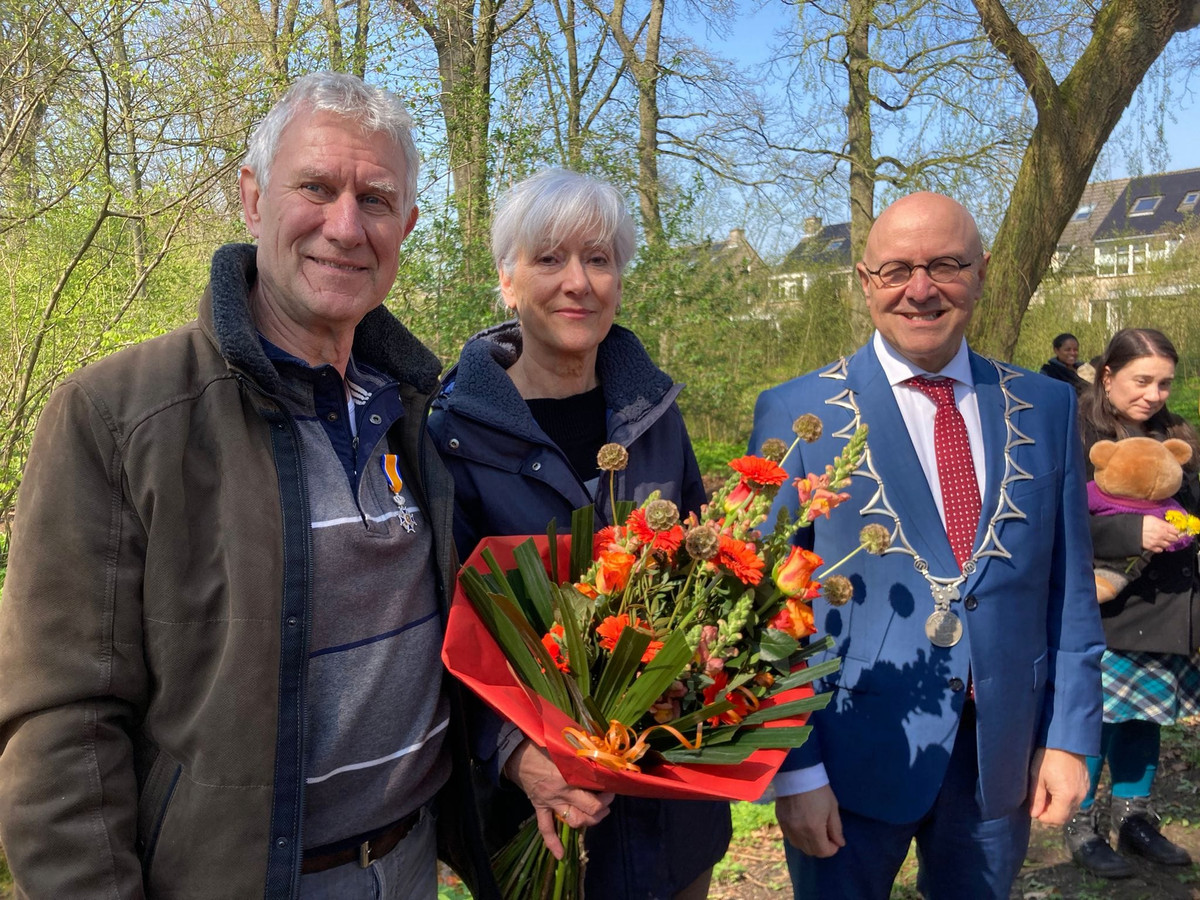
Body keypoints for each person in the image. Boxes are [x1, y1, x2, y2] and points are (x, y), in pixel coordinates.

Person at [0, 73, 496, 900]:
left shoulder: (420, 412)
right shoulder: (118, 417)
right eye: (315, 187)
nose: (345, 226)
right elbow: (61, 727)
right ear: (252, 198)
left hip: (410, 866)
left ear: (406, 226)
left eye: (375, 200)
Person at [748, 192, 1105, 899]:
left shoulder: (1048, 405)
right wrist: (796, 768)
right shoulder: (799, 413)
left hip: (998, 756)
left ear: (982, 271)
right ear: (864, 280)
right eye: (897, 270)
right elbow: (764, 608)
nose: (921, 289)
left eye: (945, 265)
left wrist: (1068, 736)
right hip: (849, 759)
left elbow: (1067, 588)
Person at [428, 168, 731, 899]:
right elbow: (435, 629)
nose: (578, 283)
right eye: (549, 259)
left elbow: (707, 575)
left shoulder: (656, 417)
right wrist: (511, 754)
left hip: (671, 810)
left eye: (598, 260)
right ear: (507, 280)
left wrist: (710, 654)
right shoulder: (452, 436)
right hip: (536, 816)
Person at [1062, 327, 1200, 878]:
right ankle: (1081, 821)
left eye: (1164, 383)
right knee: (1095, 717)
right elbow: (1055, 527)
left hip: (1166, 607)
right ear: (1108, 376)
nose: (1153, 394)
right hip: (1102, 607)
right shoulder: (1073, 435)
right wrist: (1127, 538)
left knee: (1145, 715)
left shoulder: (1180, 436)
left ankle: (1135, 818)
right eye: (1142, 380)